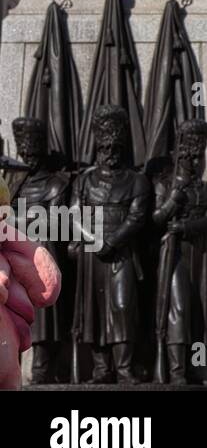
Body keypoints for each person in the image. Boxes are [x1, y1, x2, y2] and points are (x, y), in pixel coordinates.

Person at [69, 105, 151, 384]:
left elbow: (138, 217)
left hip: (122, 252)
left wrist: (113, 241)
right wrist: (94, 240)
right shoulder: (84, 181)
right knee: (93, 310)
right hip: (93, 252)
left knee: (122, 307)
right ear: (98, 148)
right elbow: (74, 215)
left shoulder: (137, 181)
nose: (109, 155)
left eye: (114, 149)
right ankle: (101, 368)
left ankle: (125, 368)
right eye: (105, 149)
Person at [6, 118, 73, 383]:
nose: (29, 160)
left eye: (33, 154)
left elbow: (55, 221)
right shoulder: (13, 185)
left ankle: (44, 366)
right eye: (25, 155)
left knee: (46, 317)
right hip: (14, 264)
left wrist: (18, 223)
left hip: (44, 257)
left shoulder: (57, 185)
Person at [151, 119, 207, 384]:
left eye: (197, 156)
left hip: (199, 252)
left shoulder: (206, 189)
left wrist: (186, 225)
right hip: (173, 253)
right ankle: (176, 370)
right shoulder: (165, 185)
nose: (192, 161)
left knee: (198, 314)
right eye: (188, 155)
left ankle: (196, 366)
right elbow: (156, 218)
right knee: (178, 308)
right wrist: (172, 203)